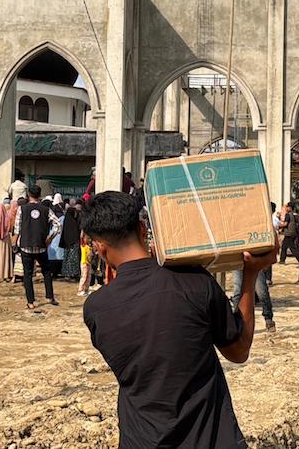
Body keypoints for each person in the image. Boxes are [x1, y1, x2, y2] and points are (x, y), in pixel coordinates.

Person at [82, 191, 277, 447]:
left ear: (98, 246)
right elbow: (238, 351)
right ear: (142, 228)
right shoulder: (193, 281)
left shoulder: (96, 309)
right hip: (209, 438)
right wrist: (250, 275)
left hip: (141, 439)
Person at [13, 185, 61, 309]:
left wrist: (14, 243)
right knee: (46, 272)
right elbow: (57, 225)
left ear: (29, 194)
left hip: (26, 246)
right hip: (41, 246)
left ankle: (31, 301)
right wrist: (49, 239)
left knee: (27, 275)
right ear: (40, 195)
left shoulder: (22, 209)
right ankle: (50, 297)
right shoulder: (46, 209)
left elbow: (17, 228)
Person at [60, 199, 83, 280]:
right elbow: (76, 232)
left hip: (67, 242)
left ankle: (68, 273)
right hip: (73, 242)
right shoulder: (73, 222)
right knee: (73, 258)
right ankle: (73, 273)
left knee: (68, 257)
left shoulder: (68, 219)